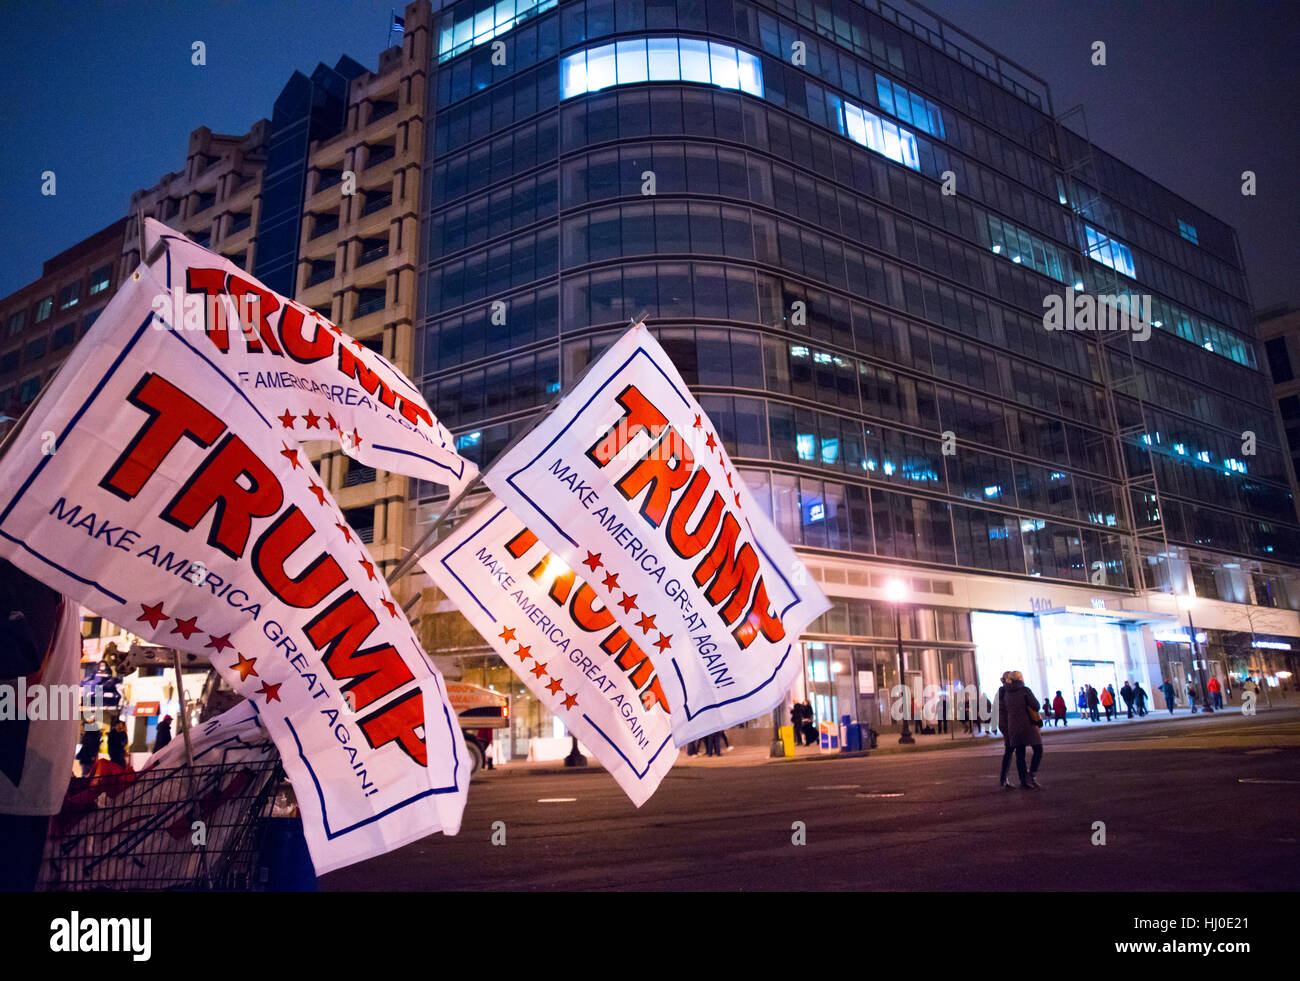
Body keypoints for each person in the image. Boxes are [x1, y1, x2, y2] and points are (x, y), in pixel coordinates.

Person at [1002, 671, 1043, 789]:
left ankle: (1023, 780)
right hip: (1027, 725)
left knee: (1020, 753)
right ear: (1020, 679)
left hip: (1013, 726)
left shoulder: (1006, 692)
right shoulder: (1025, 690)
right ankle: (1032, 775)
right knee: (1038, 749)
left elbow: (1005, 709)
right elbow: (1036, 705)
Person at [996, 672, 1015, 789]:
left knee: (1011, 751)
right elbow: (1004, 710)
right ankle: (1004, 778)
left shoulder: (1003, 691)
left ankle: (1004, 778)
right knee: (1010, 751)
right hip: (1008, 725)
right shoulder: (1004, 691)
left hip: (1007, 724)